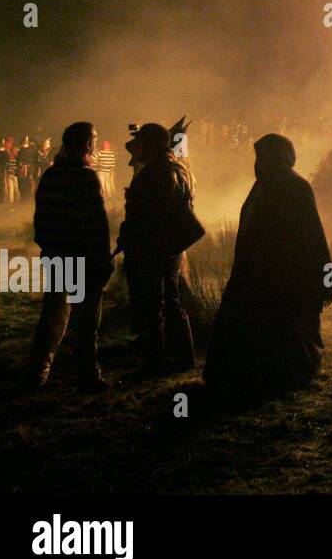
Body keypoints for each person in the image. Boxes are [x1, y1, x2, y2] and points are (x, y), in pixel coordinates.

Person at [204, 134, 332, 398]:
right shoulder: (264, 185)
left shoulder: (294, 187)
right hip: (255, 273)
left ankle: (286, 375)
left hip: (283, 274)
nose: (258, 163)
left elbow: (312, 236)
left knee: (287, 329)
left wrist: (326, 281)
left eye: (263, 157)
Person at [28, 122, 113, 392]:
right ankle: (87, 375)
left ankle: (37, 373)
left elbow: (40, 221)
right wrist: (103, 259)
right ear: (87, 144)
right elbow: (96, 224)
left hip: (56, 255)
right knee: (86, 322)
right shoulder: (87, 177)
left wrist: (50, 248)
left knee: (53, 316)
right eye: (94, 139)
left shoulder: (51, 176)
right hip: (83, 257)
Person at [119, 122, 200, 375]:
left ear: (152, 147)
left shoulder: (161, 171)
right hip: (166, 246)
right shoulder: (171, 167)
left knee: (153, 305)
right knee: (170, 302)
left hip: (154, 247)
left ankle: (155, 362)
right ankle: (183, 358)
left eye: (141, 144)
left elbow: (154, 214)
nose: (136, 150)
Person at [16, 137, 42, 202]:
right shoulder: (34, 150)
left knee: (24, 184)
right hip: (29, 169)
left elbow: (19, 160)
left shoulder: (24, 150)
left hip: (27, 169)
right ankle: (26, 199)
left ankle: (25, 199)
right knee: (26, 184)